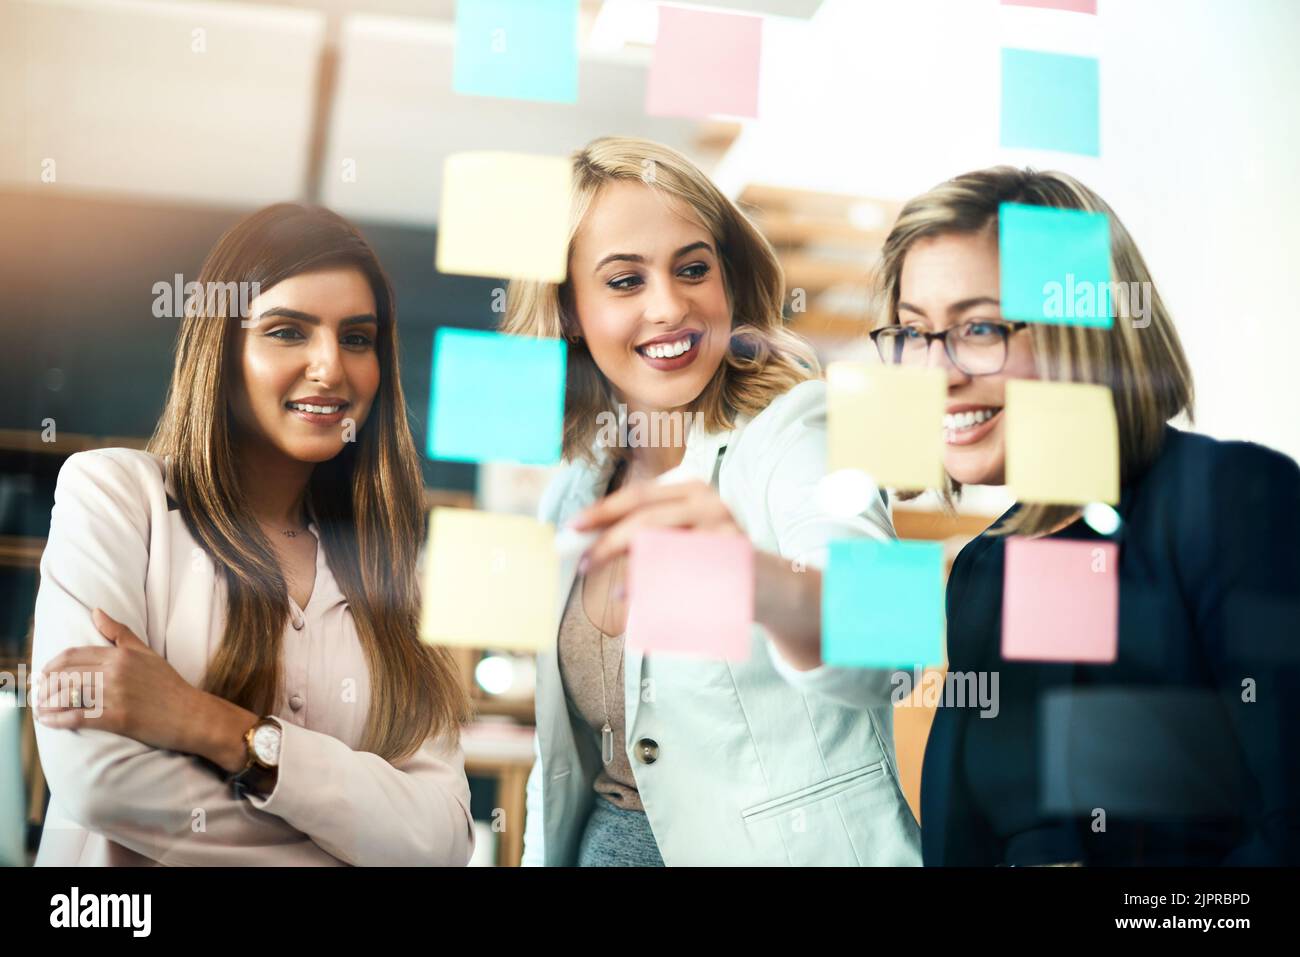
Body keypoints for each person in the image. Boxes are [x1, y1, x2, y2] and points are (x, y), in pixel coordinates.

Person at [505, 136, 922, 866]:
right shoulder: (577, 482)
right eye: (625, 281)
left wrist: (754, 579)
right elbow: (561, 759)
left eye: (693, 268)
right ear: (568, 307)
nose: (670, 306)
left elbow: (889, 642)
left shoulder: (796, 429)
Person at [870, 166, 1300, 865]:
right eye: (915, 333)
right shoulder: (985, 568)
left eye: (979, 326)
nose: (937, 372)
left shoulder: (1232, 499)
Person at [31, 204, 474, 866]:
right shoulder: (118, 497)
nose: (330, 367)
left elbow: (439, 838)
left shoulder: (386, 570)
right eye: (288, 331)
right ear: (224, 349)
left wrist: (218, 728)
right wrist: (357, 839)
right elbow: (98, 777)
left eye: (357, 338)